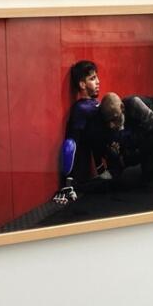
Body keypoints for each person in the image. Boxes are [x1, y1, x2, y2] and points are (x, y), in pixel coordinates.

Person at [52, 60, 102, 206]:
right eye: (92, 79)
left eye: (96, 77)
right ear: (82, 85)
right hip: (84, 180)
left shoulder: (95, 104)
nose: (98, 82)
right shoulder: (81, 109)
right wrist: (67, 182)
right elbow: (70, 145)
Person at [95, 93, 153, 182]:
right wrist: (114, 152)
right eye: (108, 121)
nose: (111, 125)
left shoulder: (134, 104)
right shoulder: (111, 116)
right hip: (142, 131)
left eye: (114, 118)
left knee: (150, 176)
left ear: (122, 107)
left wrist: (130, 158)